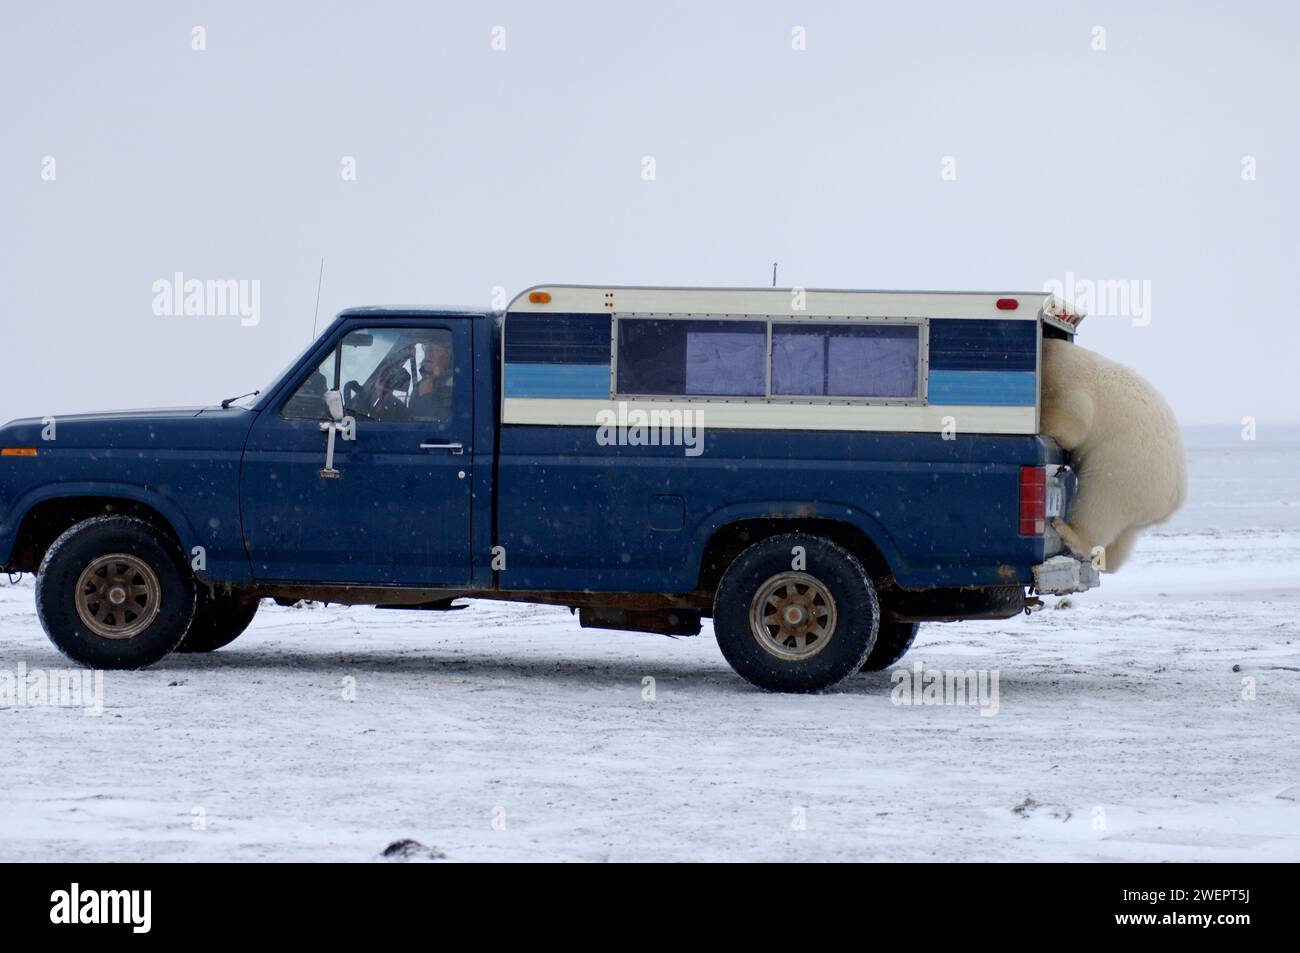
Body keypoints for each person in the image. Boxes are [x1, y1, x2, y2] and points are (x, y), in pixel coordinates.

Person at [409, 339, 453, 422]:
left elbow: (439, 424)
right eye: (425, 347)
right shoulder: (423, 382)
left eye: (436, 349)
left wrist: (426, 397)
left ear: (449, 355)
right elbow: (407, 417)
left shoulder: (455, 385)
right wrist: (387, 397)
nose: (428, 353)